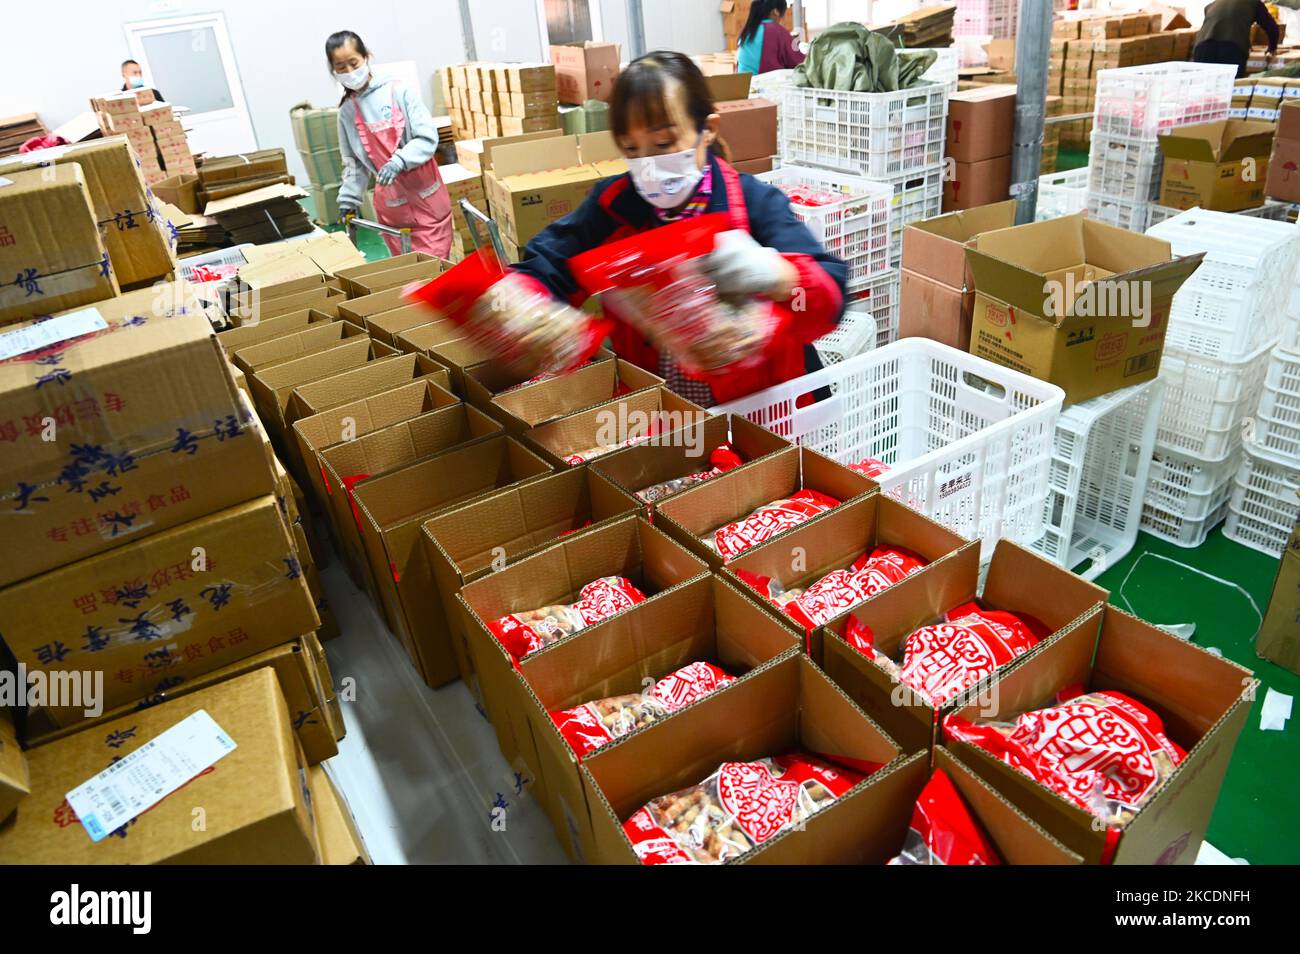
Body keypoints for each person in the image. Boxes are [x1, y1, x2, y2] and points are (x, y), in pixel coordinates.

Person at [511, 51, 845, 405]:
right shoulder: (613, 207)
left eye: (664, 144)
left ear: (707, 129)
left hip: (765, 409)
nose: (650, 165)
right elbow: (548, 266)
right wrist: (525, 302)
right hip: (667, 410)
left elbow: (830, 301)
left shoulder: (754, 203)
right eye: (632, 149)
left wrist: (783, 278)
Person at [328, 30, 451, 257]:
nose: (349, 72)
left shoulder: (399, 92)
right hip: (393, 209)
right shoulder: (346, 111)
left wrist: (399, 161)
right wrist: (348, 199)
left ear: (366, 57)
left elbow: (427, 137)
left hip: (427, 199)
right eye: (340, 67)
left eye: (353, 63)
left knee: (436, 269)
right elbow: (354, 163)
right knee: (407, 274)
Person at [1194, 0, 1279, 78]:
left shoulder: (1213, 4)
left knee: (1204, 89)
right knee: (1232, 88)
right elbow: (1272, 28)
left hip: (1202, 48)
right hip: (1231, 49)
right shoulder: (1254, 2)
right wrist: (1272, 48)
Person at [735, 0, 805, 75]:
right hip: (761, 83)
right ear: (776, 11)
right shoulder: (777, 30)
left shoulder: (748, 30)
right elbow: (797, 61)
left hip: (743, 83)